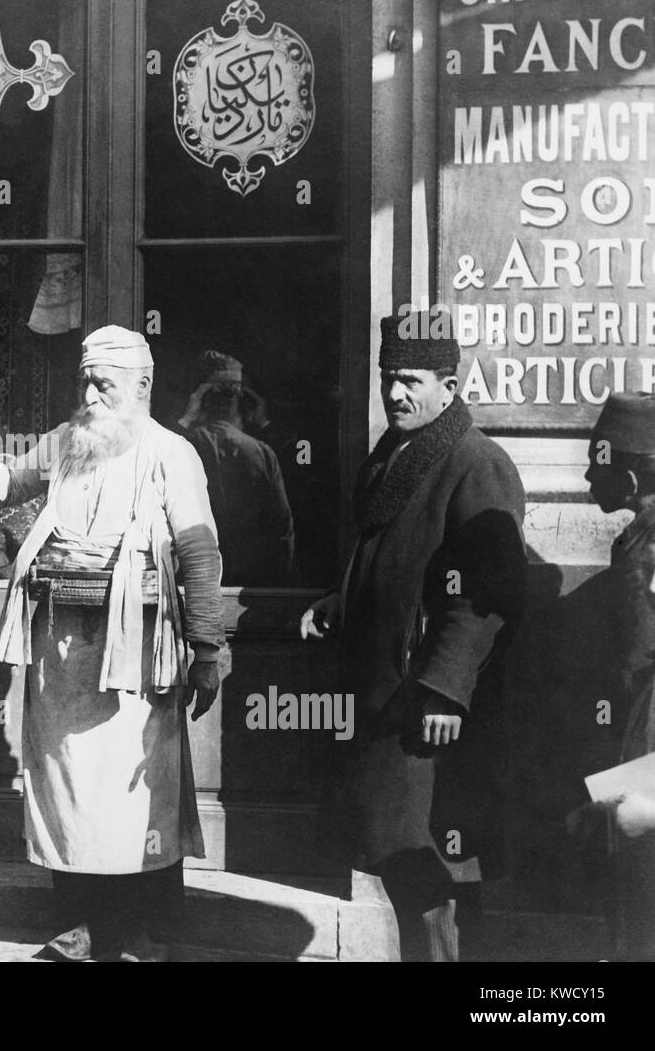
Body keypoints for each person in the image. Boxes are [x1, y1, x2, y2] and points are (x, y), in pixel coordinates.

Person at [0, 325, 227, 961]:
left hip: (135, 658)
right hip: (60, 657)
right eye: (85, 382)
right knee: (66, 790)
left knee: (128, 799)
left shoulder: (171, 454)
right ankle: (78, 920)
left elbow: (199, 554)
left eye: (105, 384)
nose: (91, 395)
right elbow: (10, 483)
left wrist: (207, 648)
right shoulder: (68, 442)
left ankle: (125, 932)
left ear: (143, 386)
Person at [300, 314, 526, 962]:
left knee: (435, 882)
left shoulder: (478, 464)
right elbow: (393, 561)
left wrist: (445, 692)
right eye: (387, 379)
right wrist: (342, 601)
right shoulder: (395, 456)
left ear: (448, 386)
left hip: (431, 718)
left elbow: (485, 600)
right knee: (407, 876)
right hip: (390, 708)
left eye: (410, 381)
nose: (394, 393)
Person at [582, 392, 655, 959]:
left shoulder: (645, 551)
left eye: (596, 463)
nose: (586, 475)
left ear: (629, 480)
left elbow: (634, 658)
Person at [179, 353, 295, 586]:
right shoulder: (262, 453)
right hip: (253, 588)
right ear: (244, 403)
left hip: (193, 581)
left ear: (201, 400)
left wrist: (186, 419)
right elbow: (284, 531)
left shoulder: (180, 447)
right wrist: (263, 422)